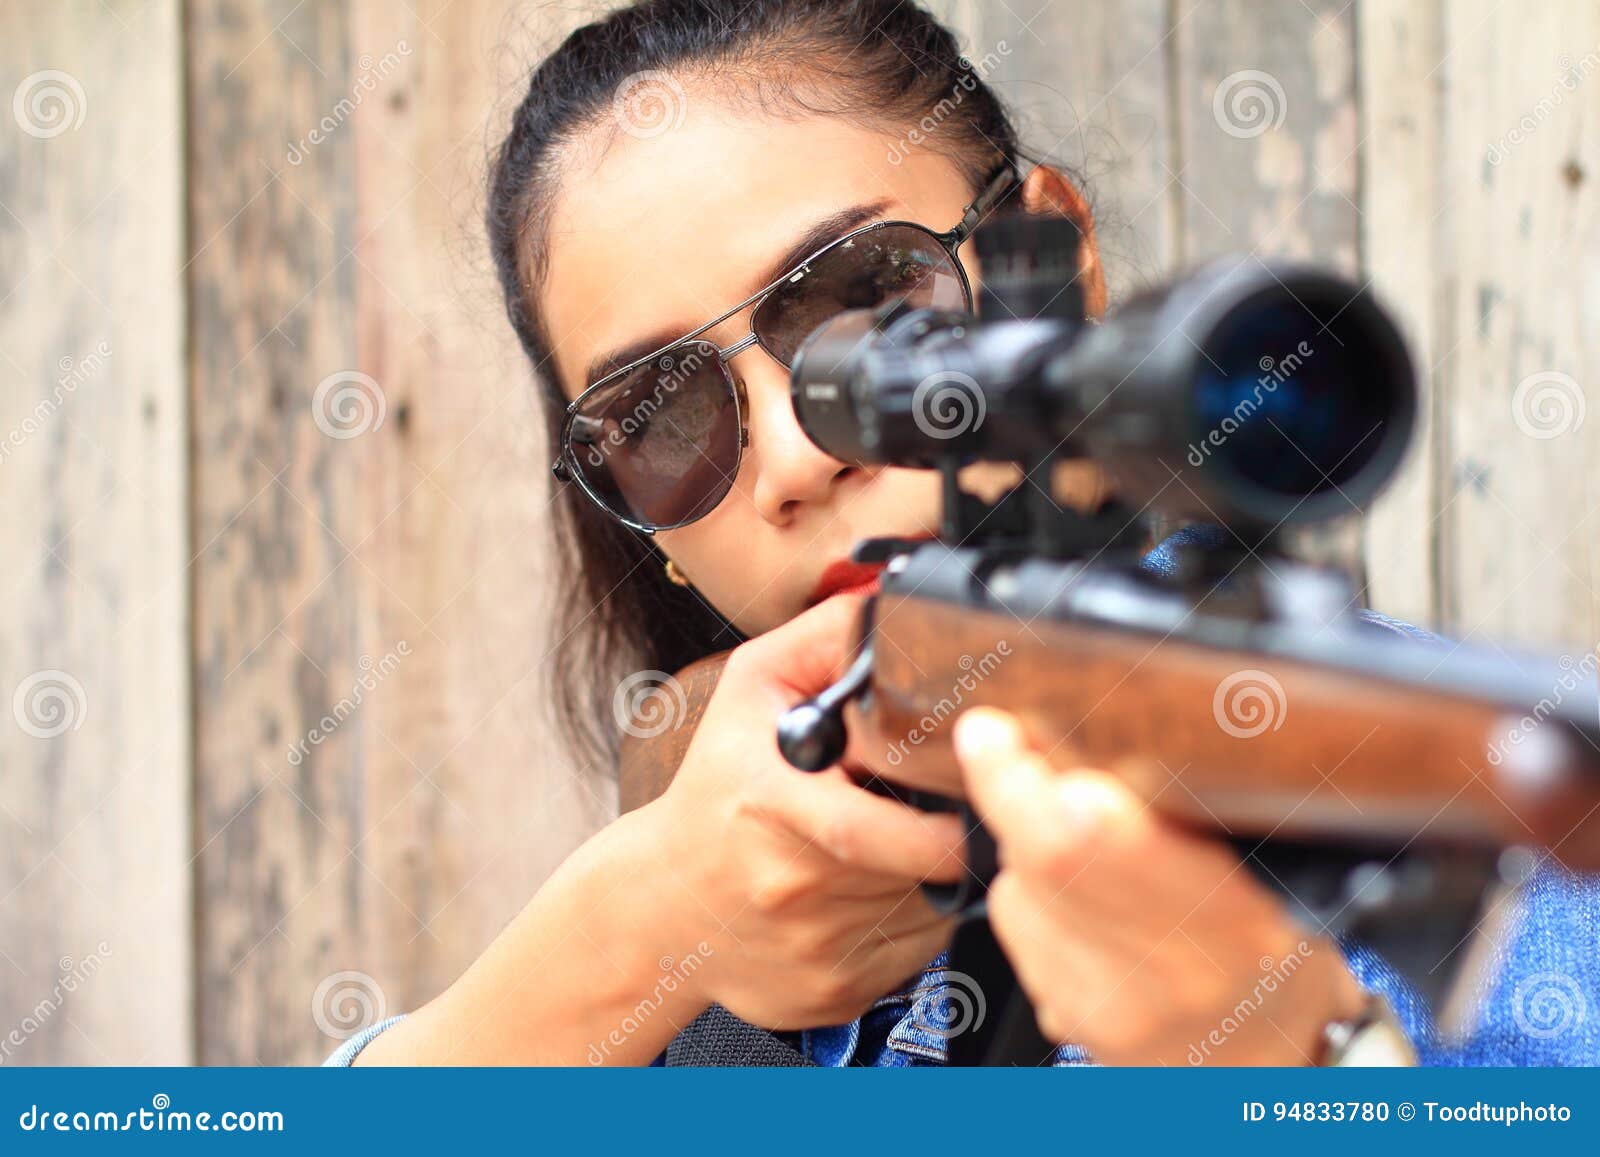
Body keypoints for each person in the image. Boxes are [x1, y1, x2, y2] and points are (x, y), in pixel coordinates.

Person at [327, 0, 1599, 1067]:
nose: (795, 453)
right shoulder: (703, 862)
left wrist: (1308, 1059)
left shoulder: (1465, 829)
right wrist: (633, 929)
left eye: (870, 297)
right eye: (659, 417)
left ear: (1054, 257)